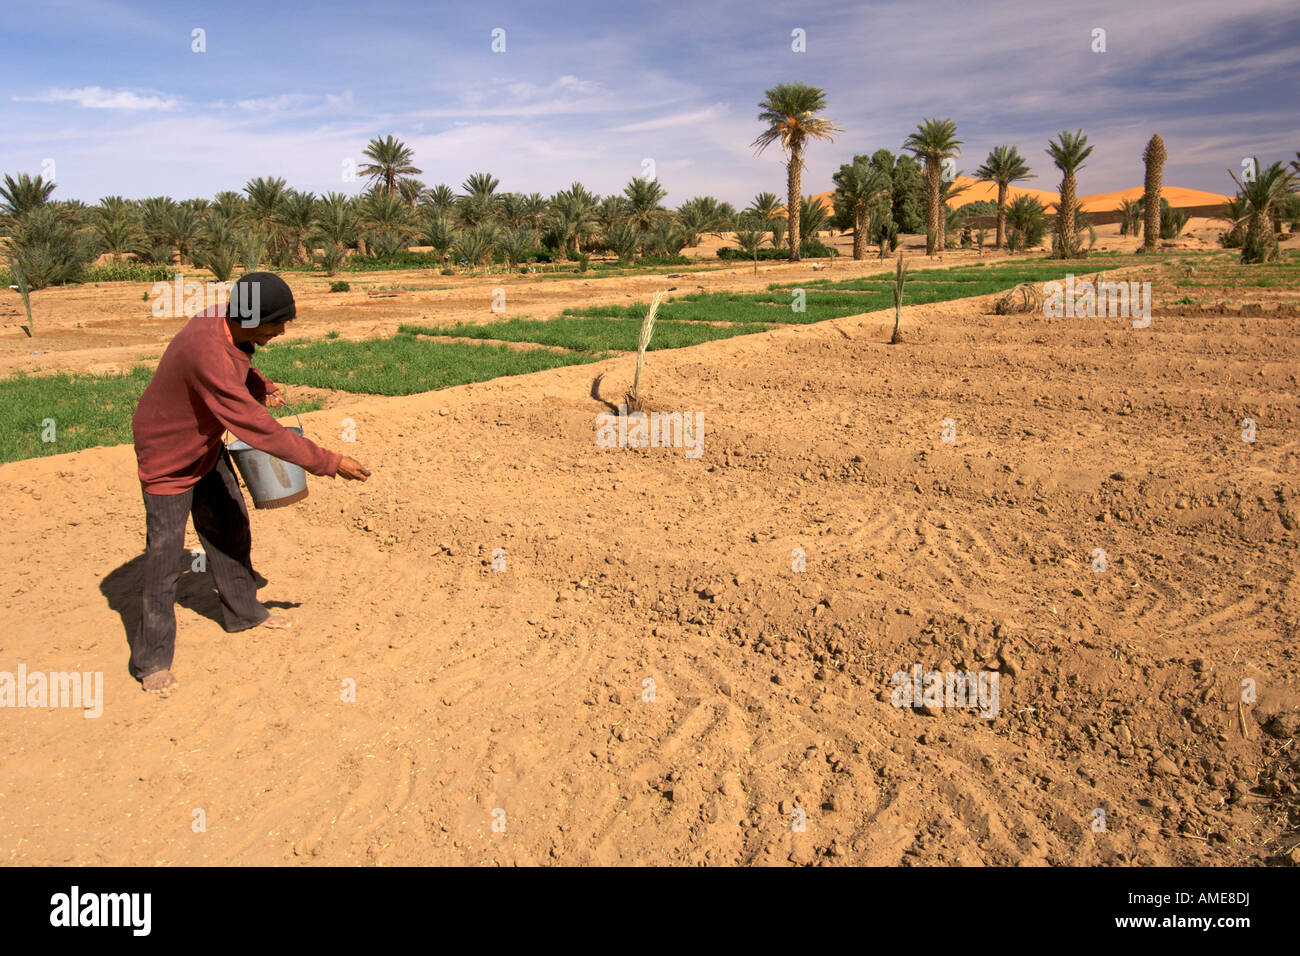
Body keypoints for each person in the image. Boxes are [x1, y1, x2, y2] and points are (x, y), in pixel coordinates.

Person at [129, 272, 370, 695]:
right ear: (252, 317)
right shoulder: (206, 349)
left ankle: (244, 612)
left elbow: (239, 362)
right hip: (167, 454)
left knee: (229, 526)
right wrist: (329, 462)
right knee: (164, 559)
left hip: (203, 444)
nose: (280, 332)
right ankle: (151, 662)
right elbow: (261, 430)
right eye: (276, 324)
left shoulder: (227, 322)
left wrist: (261, 383)